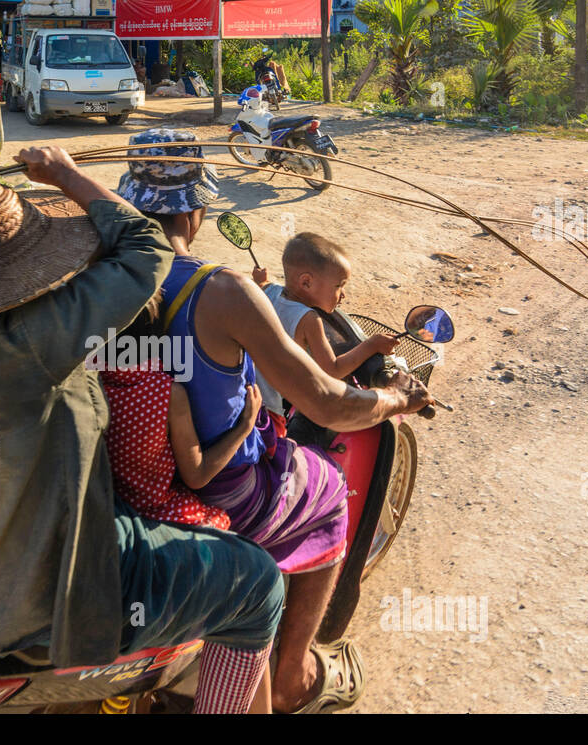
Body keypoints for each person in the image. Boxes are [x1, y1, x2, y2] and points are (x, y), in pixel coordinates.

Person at [0, 146, 284, 714]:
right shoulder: (38, 337)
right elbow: (147, 248)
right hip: (53, 592)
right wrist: (64, 175)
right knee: (258, 585)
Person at [115, 128, 432, 713]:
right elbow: (328, 403)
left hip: (131, 479)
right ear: (197, 210)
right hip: (225, 487)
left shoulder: (97, 277)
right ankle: (291, 676)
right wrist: (393, 399)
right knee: (331, 489)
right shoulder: (223, 289)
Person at [97, 298, 262, 530]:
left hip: (106, 502)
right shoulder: (168, 393)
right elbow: (197, 476)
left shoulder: (90, 377)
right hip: (154, 514)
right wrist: (245, 426)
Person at [253, 233, 400, 427]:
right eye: (339, 286)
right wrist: (371, 345)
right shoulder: (308, 319)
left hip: (244, 392)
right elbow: (332, 370)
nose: (343, 295)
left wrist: (260, 280)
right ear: (306, 282)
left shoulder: (267, 291)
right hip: (268, 412)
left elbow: (262, 284)